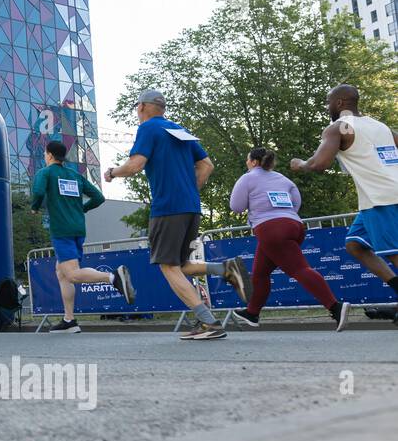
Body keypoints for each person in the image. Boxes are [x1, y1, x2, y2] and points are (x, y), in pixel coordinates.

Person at [104, 89, 250, 340]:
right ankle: (224, 269)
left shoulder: (148, 129)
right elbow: (207, 165)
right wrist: (190, 190)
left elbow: (135, 165)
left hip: (167, 208)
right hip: (191, 206)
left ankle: (209, 323)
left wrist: (112, 172)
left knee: (168, 267)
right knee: (181, 264)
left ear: (141, 108)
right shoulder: (180, 131)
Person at [290, 84, 398, 320]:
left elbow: (319, 164)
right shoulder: (380, 126)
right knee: (355, 244)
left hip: (382, 198)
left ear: (339, 103)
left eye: (328, 102)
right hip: (375, 199)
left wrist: (300, 164)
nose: (327, 107)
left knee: (394, 253)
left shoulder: (338, 127)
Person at [230, 147, 348, 330]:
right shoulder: (283, 179)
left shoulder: (248, 178)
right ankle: (252, 313)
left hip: (271, 230)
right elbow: (296, 202)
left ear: (253, 162)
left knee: (300, 270)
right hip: (294, 226)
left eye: (248, 160)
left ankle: (335, 307)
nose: (247, 163)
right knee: (260, 273)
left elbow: (236, 207)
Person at [31, 141, 134, 333]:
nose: (45, 157)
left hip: (61, 230)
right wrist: (81, 209)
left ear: (50, 155)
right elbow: (98, 197)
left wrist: (35, 207)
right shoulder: (74, 175)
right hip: (78, 229)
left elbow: (37, 192)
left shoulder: (45, 173)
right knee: (62, 273)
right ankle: (69, 320)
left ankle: (112, 277)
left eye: (45, 154)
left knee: (71, 273)